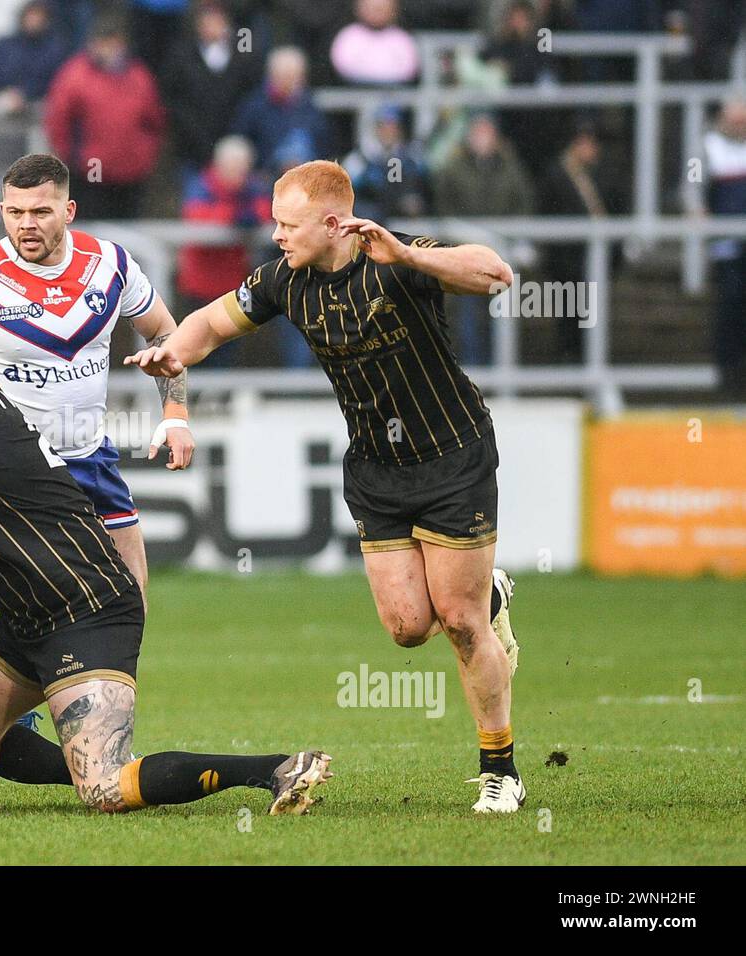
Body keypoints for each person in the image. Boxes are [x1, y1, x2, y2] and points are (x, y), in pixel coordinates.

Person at [125, 161, 526, 814]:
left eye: (288, 225)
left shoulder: (394, 259)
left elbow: (495, 274)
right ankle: (493, 593)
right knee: (405, 629)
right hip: (375, 469)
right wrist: (173, 352)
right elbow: (214, 323)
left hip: (452, 455)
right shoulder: (285, 280)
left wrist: (411, 256)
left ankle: (500, 770)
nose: (277, 236)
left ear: (334, 222)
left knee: (458, 620)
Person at [0, 324, 334, 816]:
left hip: (86, 607)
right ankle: (94, 763)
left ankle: (277, 767)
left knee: (106, 791)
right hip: (28, 617)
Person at [0, 154, 194, 604]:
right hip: (11, 472)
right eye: (15, 212)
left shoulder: (110, 265)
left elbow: (166, 332)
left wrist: (176, 414)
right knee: (43, 611)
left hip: (89, 459)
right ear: (2, 212)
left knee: (133, 600)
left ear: (68, 212)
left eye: (40, 212)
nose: (26, 224)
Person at [431, 113, 535, 364]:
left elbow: (523, 204)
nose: (482, 138)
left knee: (503, 310)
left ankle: (502, 366)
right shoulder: (454, 168)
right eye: (478, 131)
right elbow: (444, 209)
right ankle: (473, 367)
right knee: (468, 312)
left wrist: (514, 238)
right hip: (467, 251)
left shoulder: (510, 167)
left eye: (487, 131)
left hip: (502, 252)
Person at [43, 18, 166, 220]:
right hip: (91, 170)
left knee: (128, 231)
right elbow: (59, 120)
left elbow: (154, 119)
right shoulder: (75, 75)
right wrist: (70, 156)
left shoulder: (138, 76)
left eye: (114, 44)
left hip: (131, 172)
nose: (110, 50)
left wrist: (145, 156)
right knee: (93, 227)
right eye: (104, 43)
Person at [176, 135, 272, 360]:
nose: (239, 174)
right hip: (200, 286)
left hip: (233, 286)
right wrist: (233, 216)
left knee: (227, 352)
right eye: (234, 168)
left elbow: (266, 212)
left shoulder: (252, 188)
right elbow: (197, 219)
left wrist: (248, 216)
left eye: (243, 168)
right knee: (199, 350)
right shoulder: (202, 186)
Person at [159, 0, 264, 174]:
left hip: (233, 145)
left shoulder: (243, 56)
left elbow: (251, 94)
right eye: (207, 21)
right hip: (192, 148)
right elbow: (172, 98)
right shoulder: (181, 55)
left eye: (219, 21)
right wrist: (192, 131)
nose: (213, 27)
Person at [538, 120, 607, 363]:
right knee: (569, 314)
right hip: (566, 260)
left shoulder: (597, 173)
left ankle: (583, 359)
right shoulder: (558, 174)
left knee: (586, 314)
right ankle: (569, 360)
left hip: (588, 259)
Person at [230, 46, 334, 182]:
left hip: (308, 179)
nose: (288, 82)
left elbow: (325, 144)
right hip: (265, 180)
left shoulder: (312, 107)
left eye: (293, 77)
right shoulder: (254, 107)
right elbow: (241, 142)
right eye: (284, 76)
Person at [704, 98, 746, 398]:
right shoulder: (709, 147)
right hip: (726, 240)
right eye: (735, 121)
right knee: (731, 299)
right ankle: (728, 368)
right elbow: (692, 189)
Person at [0, 0, 70, 115]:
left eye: (39, 17)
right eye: (31, 16)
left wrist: (26, 95)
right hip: (0, 111)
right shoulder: (3, 45)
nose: (34, 21)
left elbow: (61, 84)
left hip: (37, 112)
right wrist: (0, 94)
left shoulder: (57, 50)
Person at [329, 0, 420, 86]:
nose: (377, 13)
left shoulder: (401, 38)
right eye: (372, 8)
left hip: (394, 93)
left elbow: (408, 68)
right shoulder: (349, 36)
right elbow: (343, 65)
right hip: (353, 92)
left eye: (381, 9)